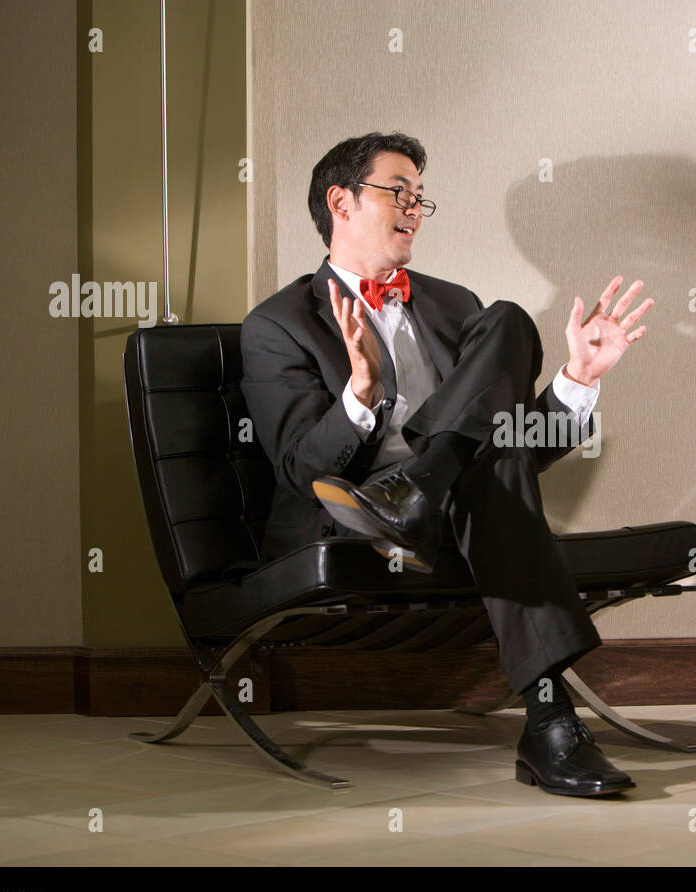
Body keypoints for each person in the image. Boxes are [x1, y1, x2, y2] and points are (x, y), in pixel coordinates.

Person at [240, 132, 652, 797]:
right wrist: (359, 398)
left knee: (511, 324)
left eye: (421, 198)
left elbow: (520, 445)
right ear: (340, 202)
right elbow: (298, 469)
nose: (413, 208)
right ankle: (551, 726)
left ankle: (422, 487)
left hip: (447, 508)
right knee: (489, 478)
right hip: (353, 512)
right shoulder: (277, 325)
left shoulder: (456, 305)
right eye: (397, 192)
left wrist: (579, 377)